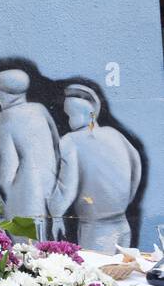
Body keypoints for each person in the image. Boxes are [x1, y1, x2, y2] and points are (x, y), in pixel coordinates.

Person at [48, 83, 142, 252]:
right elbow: (136, 170)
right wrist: (121, 202)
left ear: (75, 115)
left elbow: (66, 187)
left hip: (95, 229)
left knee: (97, 276)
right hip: (122, 223)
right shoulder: (116, 135)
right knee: (119, 274)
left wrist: (55, 214)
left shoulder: (70, 141)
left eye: (68, 115)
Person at [0, 69, 60, 240]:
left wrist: (6, 201)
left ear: (1, 92)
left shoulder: (1, 120)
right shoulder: (40, 109)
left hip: (24, 195)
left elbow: (8, 168)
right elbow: (57, 148)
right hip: (49, 189)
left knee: (25, 253)